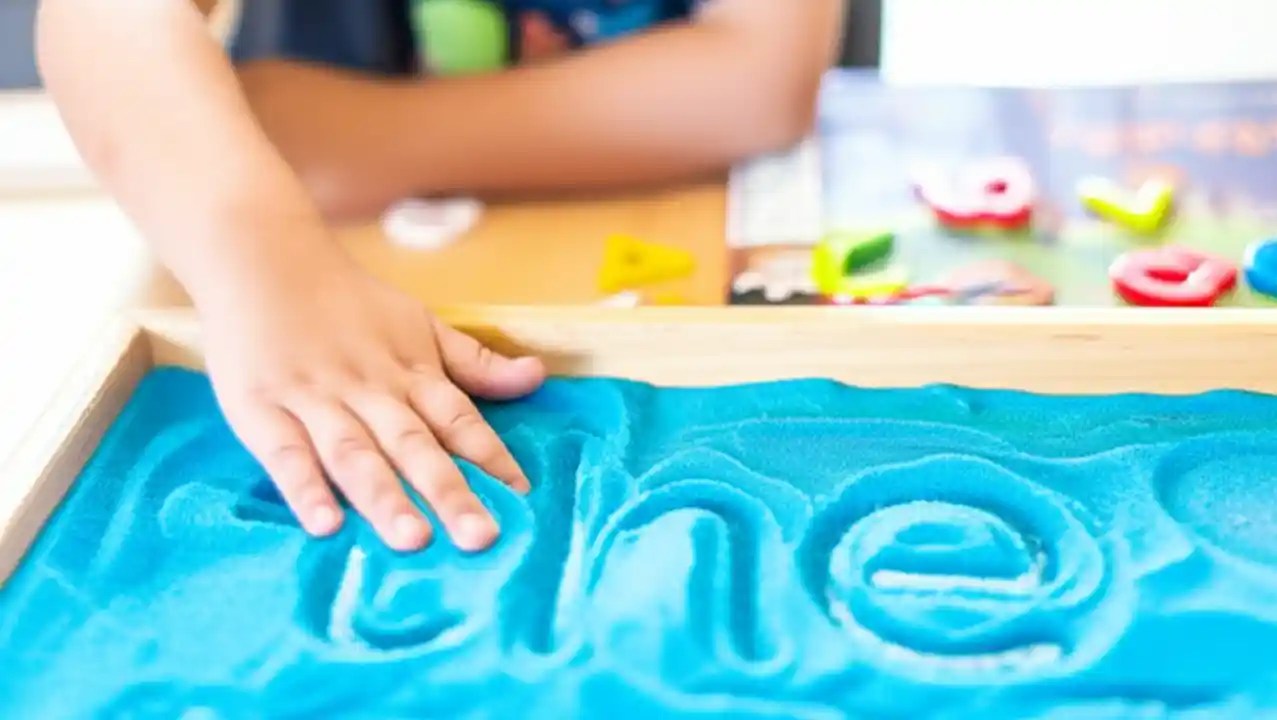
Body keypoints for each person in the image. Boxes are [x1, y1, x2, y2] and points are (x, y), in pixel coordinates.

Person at [34, 0, 843, 553]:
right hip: (288, 243)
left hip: (670, 227)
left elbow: (758, 81)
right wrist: (268, 259)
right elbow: (101, 19)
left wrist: (364, 140)